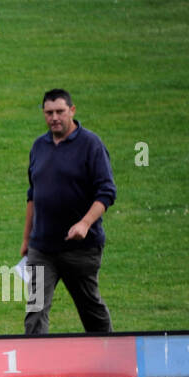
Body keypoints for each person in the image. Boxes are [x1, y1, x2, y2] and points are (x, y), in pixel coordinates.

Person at [21, 89, 116, 334]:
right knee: (35, 309)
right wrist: (26, 239)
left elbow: (106, 192)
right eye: (49, 113)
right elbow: (33, 195)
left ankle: (108, 350)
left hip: (81, 248)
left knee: (90, 308)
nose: (54, 118)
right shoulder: (39, 146)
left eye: (60, 112)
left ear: (72, 111)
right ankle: (34, 358)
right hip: (42, 248)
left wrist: (85, 223)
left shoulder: (91, 145)